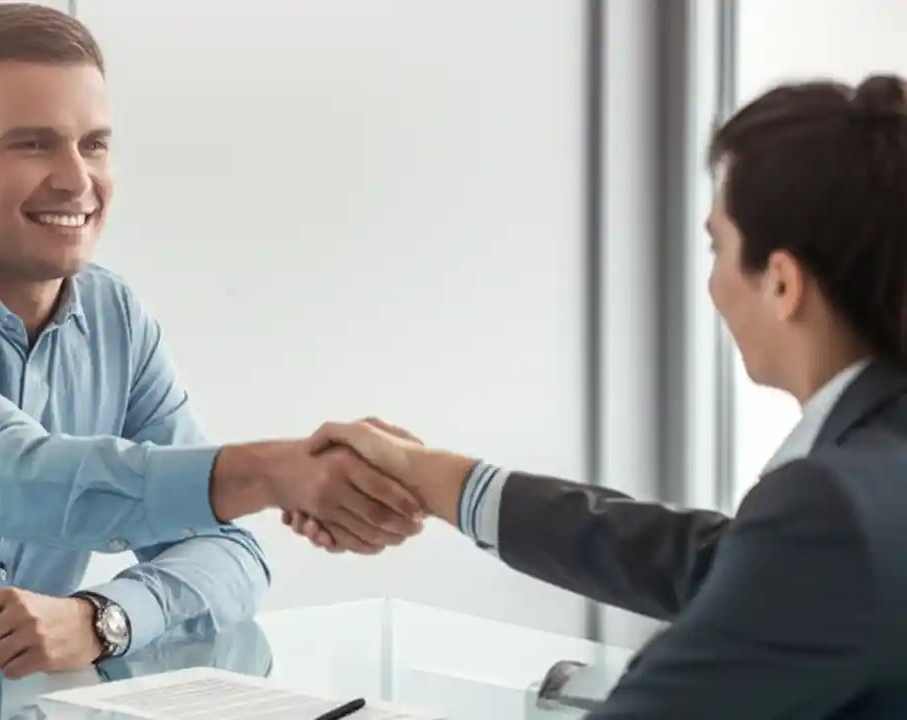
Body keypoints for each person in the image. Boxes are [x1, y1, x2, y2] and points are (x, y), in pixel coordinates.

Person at [0, 3, 424, 680]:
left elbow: (226, 550)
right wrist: (274, 471)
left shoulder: (116, 318)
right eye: (33, 143)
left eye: (94, 144)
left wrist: (104, 616)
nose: (77, 179)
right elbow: (8, 476)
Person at [290, 75, 907, 718]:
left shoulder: (829, 512)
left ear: (782, 284)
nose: (714, 280)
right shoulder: (872, 477)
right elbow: (712, 564)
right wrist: (435, 477)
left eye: (717, 246)